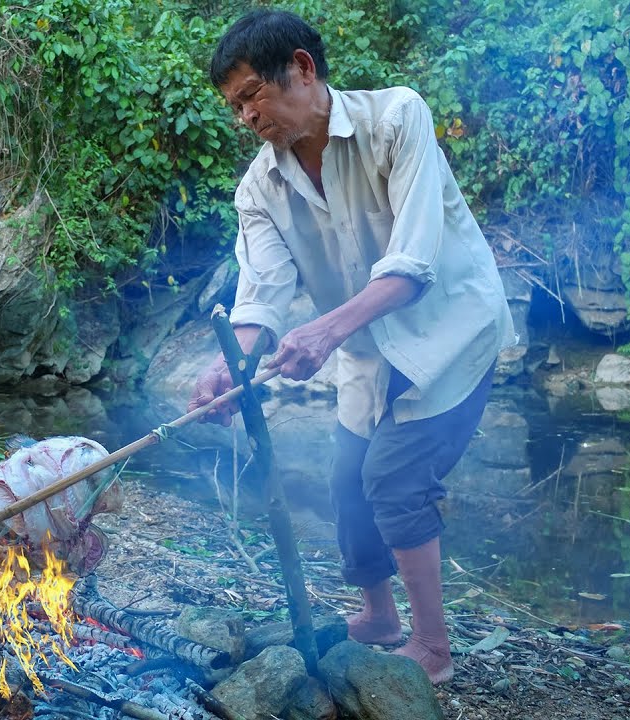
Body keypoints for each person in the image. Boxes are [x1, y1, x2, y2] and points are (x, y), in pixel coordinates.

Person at [188, 9, 516, 684]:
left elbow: (413, 263)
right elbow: (261, 298)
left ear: (302, 69)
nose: (245, 117)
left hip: (450, 333)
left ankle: (433, 649)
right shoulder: (259, 188)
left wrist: (327, 330)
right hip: (367, 348)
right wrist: (230, 364)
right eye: (235, 107)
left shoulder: (396, 119)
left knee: (394, 481)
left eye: (251, 95)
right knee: (347, 480)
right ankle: (380, 617)